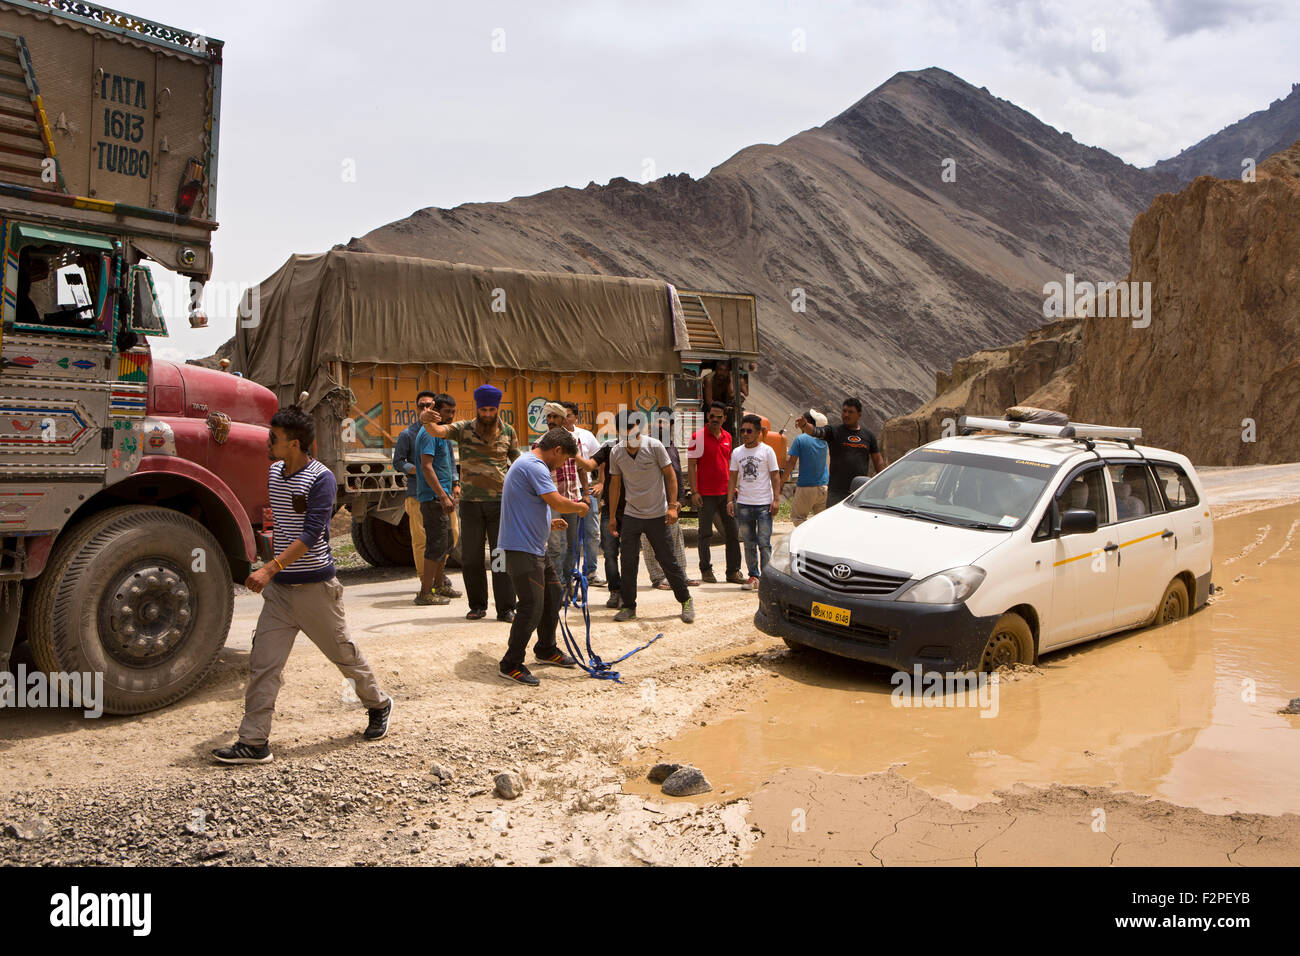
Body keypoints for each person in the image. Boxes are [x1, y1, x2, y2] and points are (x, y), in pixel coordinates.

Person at [213, 405, 392, 764]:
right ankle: (254, 741)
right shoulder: (275, 472)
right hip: (281, 593)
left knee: (344, 655)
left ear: (294, 444)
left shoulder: (321, 478)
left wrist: (269, 569)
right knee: (264, 664)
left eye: (274, 438)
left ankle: (378, 703)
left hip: (315, 592)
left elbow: (312, 533)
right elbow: (280, 524)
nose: (268, 442)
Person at [421, 385, 519, 622]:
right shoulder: (463, 428)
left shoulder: (508, 431)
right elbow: (436, 431)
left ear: (497, 408)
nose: (487, 414)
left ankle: (506, 608)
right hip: (471, 504)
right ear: (477, 408)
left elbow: (517, 463)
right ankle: (477, 605)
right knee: (472, 558)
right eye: (483, 409)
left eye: (491, 409)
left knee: (500, 557)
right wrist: (425, 420)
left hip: (499, 504)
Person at [497, 428, 587, 686]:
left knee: (554, 593)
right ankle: (511, 663)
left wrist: (548, 523)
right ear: (557, 450)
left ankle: (546, 649)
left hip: (534, 547)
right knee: (531, 606)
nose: (562, 465)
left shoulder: (527, 463)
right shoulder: (534, 466)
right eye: (565, 459)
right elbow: (556, 500)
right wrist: (579, 507)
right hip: (522, 550)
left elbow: (528, 506)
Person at [609, 411, 695, 624]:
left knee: (667, 560)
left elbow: (671, 475)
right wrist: (612, 517)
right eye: (625, 432)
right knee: (628, 562)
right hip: (631, 515)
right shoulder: (617, 452)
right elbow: (615, 485)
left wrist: (673, 506)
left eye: (633, 430)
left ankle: (685, 600)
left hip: (657, 514)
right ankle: (629, 606)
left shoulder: (655, 446)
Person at [642, 409, 700, 590]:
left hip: (670, 504)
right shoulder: (645, 446)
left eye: (665, 422)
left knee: (676, 541)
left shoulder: (671, 447)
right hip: (649, 505)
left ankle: (680, 576)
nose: (661, 426)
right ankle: (658, 578)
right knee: (650, 543)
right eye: (658, 421)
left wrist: (680, 500)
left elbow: (676, 476)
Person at [687, 401, 744, 584]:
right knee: (705, 534)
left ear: (724, 419)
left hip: (726, 494)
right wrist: (694, 491)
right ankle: (706, 570)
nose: (715, 420)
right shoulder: (697, 437)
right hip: (705, 495)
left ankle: (733, 572)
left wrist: (732, 487)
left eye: (719, 417)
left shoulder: (728, 436)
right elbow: (691, 465)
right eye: (712, 416)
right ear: (707, 416)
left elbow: (729, 464)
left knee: (733, 533)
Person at [413, 395, 460, 605]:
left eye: (453, 411)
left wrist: (452, 488)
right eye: (447, 411)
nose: (451, 416)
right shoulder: (429, 433)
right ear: (436, 412)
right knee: (435, 545)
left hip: (443, 497)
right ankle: (425, 593)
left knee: (446, 542)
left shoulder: (441, 434)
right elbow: (426, 466)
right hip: (433, 498)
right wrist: (442, 495)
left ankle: (440, 585)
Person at [538, 403, 589, 590]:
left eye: (555, 417)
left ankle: (568, 583)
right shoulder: (540, 443)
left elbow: (581, 468)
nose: (551, 421)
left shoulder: (574, 441)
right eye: (548, 417)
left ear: (563, 419)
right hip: (553, 501)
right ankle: (557, 585)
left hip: (573, 498)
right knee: (555, 546)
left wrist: (586, 495)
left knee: (572, 545)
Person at [728, 413, 782, 590]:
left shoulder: (767, 451)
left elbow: (775, 475)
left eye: (749, 430)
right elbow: (733, 477)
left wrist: (776, 499)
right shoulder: (737, 452)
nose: (745, 433)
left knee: (764, 543)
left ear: (758, 432)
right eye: (742, 430)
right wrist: (730, 500)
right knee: (749, 542)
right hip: (744, 504)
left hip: (764, 504)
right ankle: (753, 576)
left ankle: (767, 577)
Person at [801, 397, 886, 508]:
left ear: (859, 415)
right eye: (844, 411)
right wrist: (804, 425)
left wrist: (884, 482)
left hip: (859, 492)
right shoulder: (834, 431)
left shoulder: (868, 436)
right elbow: (816, 432)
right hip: (836, 492)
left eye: (850, 412)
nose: (846, 415)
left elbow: (878, 461)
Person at [392, 390, 437, 570]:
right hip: (417, 493)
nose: (425, 408)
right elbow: (398, 462)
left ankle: (439, 577)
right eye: (422, 406)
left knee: (451, 535)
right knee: (421, 540)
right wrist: (415, 470)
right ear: (417, 408)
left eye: (429, 405)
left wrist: (455, 483)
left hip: (442, 494)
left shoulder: (442, 433)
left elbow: (449, 459)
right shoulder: (407, 434)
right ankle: (426, 581)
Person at [562, 401, 604, 586]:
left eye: (568, 415)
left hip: (584, 491)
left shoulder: (586, 436)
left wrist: (601, 482)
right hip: (563, 492)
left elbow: (601, 459)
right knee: (567, 537)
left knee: (591, 532)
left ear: (576, 418)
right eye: (561, 415)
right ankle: (568, 575)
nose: (564, 419)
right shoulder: (554, 438)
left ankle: (591, 572)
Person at [591, 435, 624, 608]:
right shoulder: (609, 447)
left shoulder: (643, 448)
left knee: (628, 555)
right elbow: (592, 464)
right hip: (610, 510)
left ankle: (627, 594)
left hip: (632, 510)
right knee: (610, 553)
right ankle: (615, 592)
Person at [784, 409, 830, 526]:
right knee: (822, 521)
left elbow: (791, 463)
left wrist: (781, 482)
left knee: (798, 518)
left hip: (806, 487)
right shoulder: (824, 440)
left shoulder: (801, 439)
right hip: (824, 487)